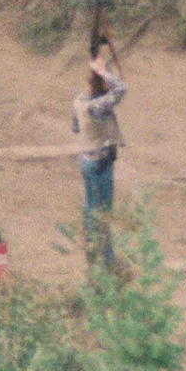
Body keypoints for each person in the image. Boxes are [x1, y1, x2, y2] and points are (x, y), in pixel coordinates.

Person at [72, 49, 126, 267]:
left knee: (91, 210)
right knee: (103, 213)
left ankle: (93, 255)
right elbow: (121, 89)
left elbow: (75, 127)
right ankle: (105, 262)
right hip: (100, 163)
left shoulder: (80, 100)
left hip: (87, 159)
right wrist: (104, 72)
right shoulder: (97, 106)